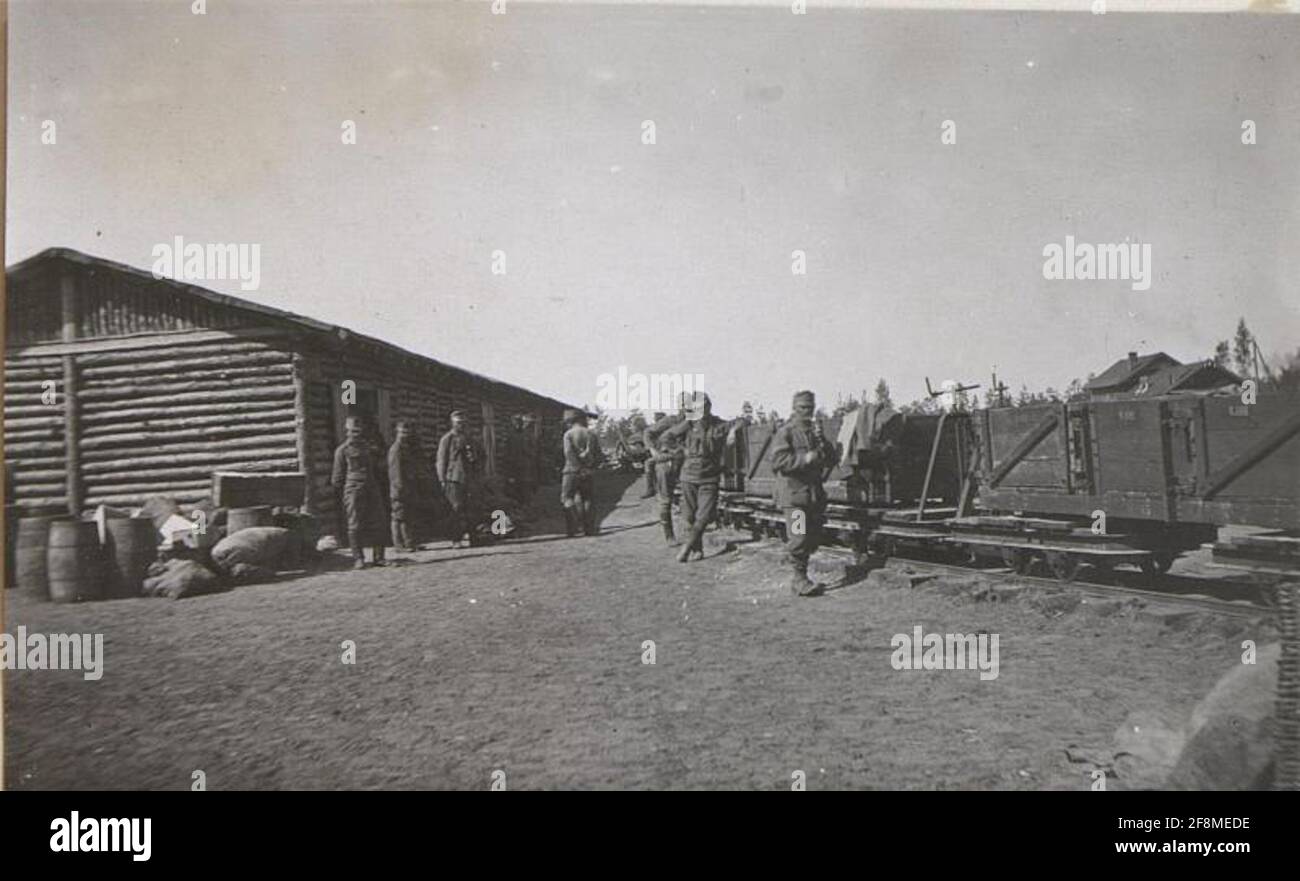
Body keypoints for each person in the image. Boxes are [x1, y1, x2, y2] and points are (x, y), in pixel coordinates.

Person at [646, 392, 741, 563]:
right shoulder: (688, 424)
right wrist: (680, 450)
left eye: (704, 407)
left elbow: (742, 420)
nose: (700, 411)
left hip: (709, 478)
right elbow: (666, 437)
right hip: (688, 477)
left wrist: (733, 431)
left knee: (703, 517)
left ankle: (686, 548)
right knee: (689, 517)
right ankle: (697, 549)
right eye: (697, 408)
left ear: (709, 407)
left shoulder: (718, 424)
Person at [769, 390, 838, 597]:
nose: (807, 411)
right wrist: (806, 458)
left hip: (813, 495)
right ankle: (799, 579)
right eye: (803, 408)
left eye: (810, 407)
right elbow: (778, 462)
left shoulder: (815, 432)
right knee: (798, 537)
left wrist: (823, 445)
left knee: (812, 538)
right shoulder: (786, 432)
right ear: (794, 408)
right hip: (794, 496)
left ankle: (802, 575)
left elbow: (830, 458)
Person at [332, 416, 389, 569]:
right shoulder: (342, 451)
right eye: (352, 431)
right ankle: (359, 558)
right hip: (354, 490)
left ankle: (379, 558)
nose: (355, 434)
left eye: (358, 431)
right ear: (347, 432)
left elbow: (379, 466)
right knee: (355, 524)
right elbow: (337, 478)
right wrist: (346, 494)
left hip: (372, 489)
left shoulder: (368, 448)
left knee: (379, 523)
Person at [437, 410, 481, 548]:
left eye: (463, 422)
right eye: (458, 423)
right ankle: (456, 539)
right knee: (456, 509)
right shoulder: (447, 439)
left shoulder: (470, 439)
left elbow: (480, 455)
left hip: (470, 478)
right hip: (453, 479)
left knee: (472, 508)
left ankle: (474, 538)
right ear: (452, 423)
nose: (461, 425)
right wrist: (442, 479)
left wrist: (475, 460)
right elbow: (441, 460)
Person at [643, 410, 684, 545]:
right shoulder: (670, 421)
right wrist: (653, 451)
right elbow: (647, 433)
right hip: (667, 461)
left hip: (686, 463)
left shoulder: (696, 422)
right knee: (666, 500)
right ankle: (669, 536)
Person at [560, 408, 599, 537]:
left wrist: (577, 468)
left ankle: (573, 529)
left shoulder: (568, 434)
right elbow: (598, 455)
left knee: (567, 498)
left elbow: (568, 453)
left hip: (571, 471)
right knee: (588, 498)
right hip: (588, 471)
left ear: (571, 421)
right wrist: (589, 468)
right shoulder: (591, 434)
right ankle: (589, 529)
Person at [387, 420, 419, 552]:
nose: (405, 435)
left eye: (407, 432)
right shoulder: (396, 450)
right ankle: (399, 545)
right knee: (399, 517)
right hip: (399, 488)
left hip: (408, 487)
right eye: (402, 432)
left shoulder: (405, 448)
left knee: (407, 515)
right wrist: (399, 489)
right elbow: (396, 472)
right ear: (397, 433)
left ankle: (409, 542)